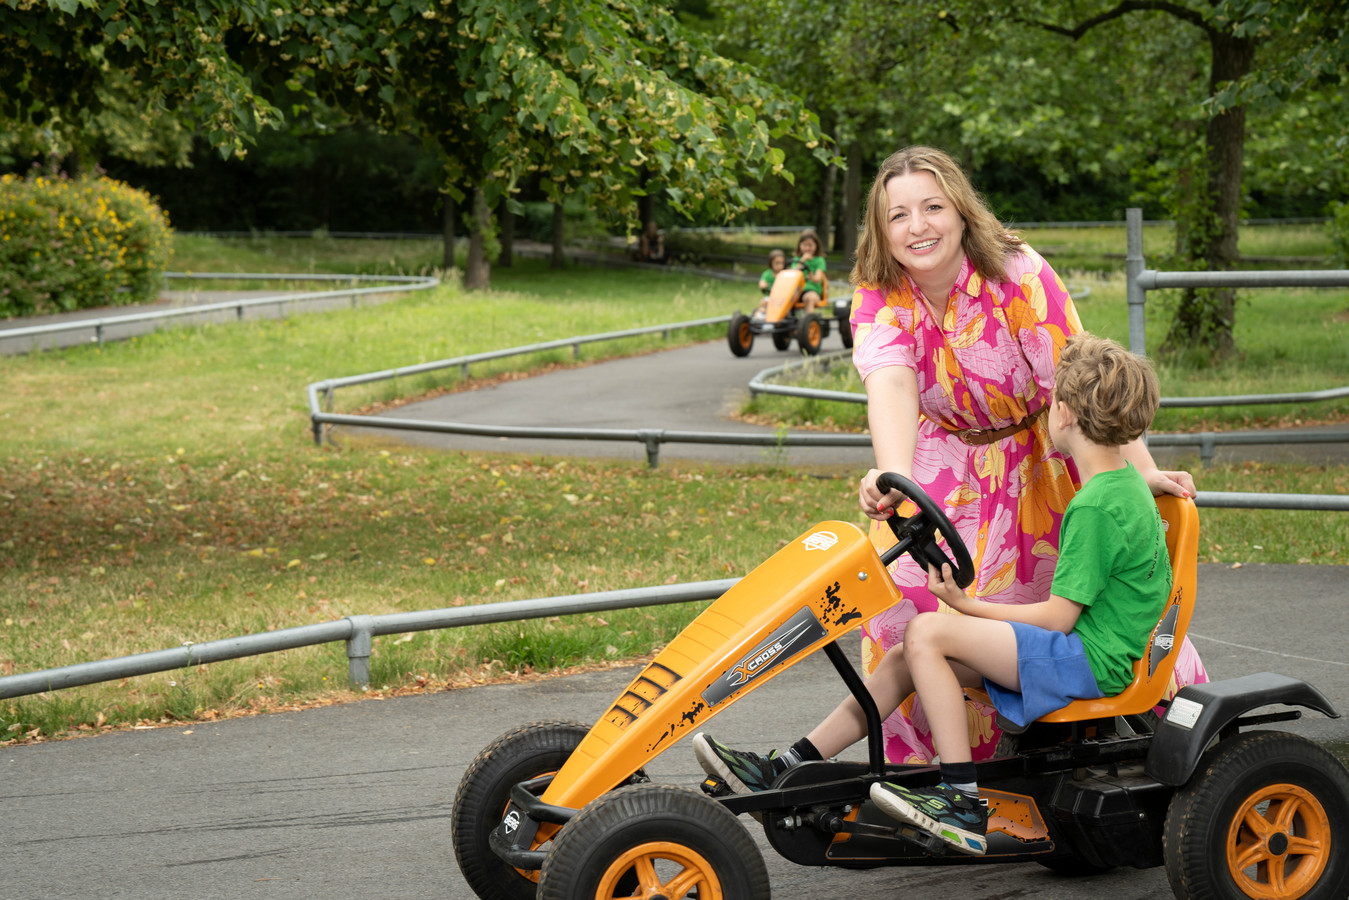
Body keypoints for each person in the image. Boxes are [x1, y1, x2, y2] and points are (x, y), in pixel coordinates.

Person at [781, 147, 1208, 766]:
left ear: (961, 209)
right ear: (881, 228)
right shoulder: (879, 293)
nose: (918, 226)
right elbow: (891, 384)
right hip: (945, 460)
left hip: (1038, 451)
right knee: (902, 599)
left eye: (933, 207)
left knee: (1031, 601)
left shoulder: (1018, 274)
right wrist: (892, 475)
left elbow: (1086, 383)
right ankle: (903, 764)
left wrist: (1138, 467)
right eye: (899, 215)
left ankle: (1016, 764)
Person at [694, 333, 1177, 856]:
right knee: (905, 656)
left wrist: (965, 606)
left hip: (1088, 659)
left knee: (927, 632)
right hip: (1086, 650)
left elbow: (1059, 620)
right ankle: (787, 765)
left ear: (1061, 412)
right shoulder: (1122, 483)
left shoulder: (1097, 507)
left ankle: (962, 799)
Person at [789, 229, 826, 316]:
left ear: (816, 246)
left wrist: (811, 277)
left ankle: (808, 324)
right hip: (797, 291)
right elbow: (792, 275)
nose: (807, 248)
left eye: (810, 245)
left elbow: (817, 279)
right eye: (805, 245)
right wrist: (802, 260)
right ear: (800, 245)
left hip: (813, 291)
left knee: (808, 298)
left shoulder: (819, 260)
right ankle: (785, 321)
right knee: (786, 298)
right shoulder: (797, 260)